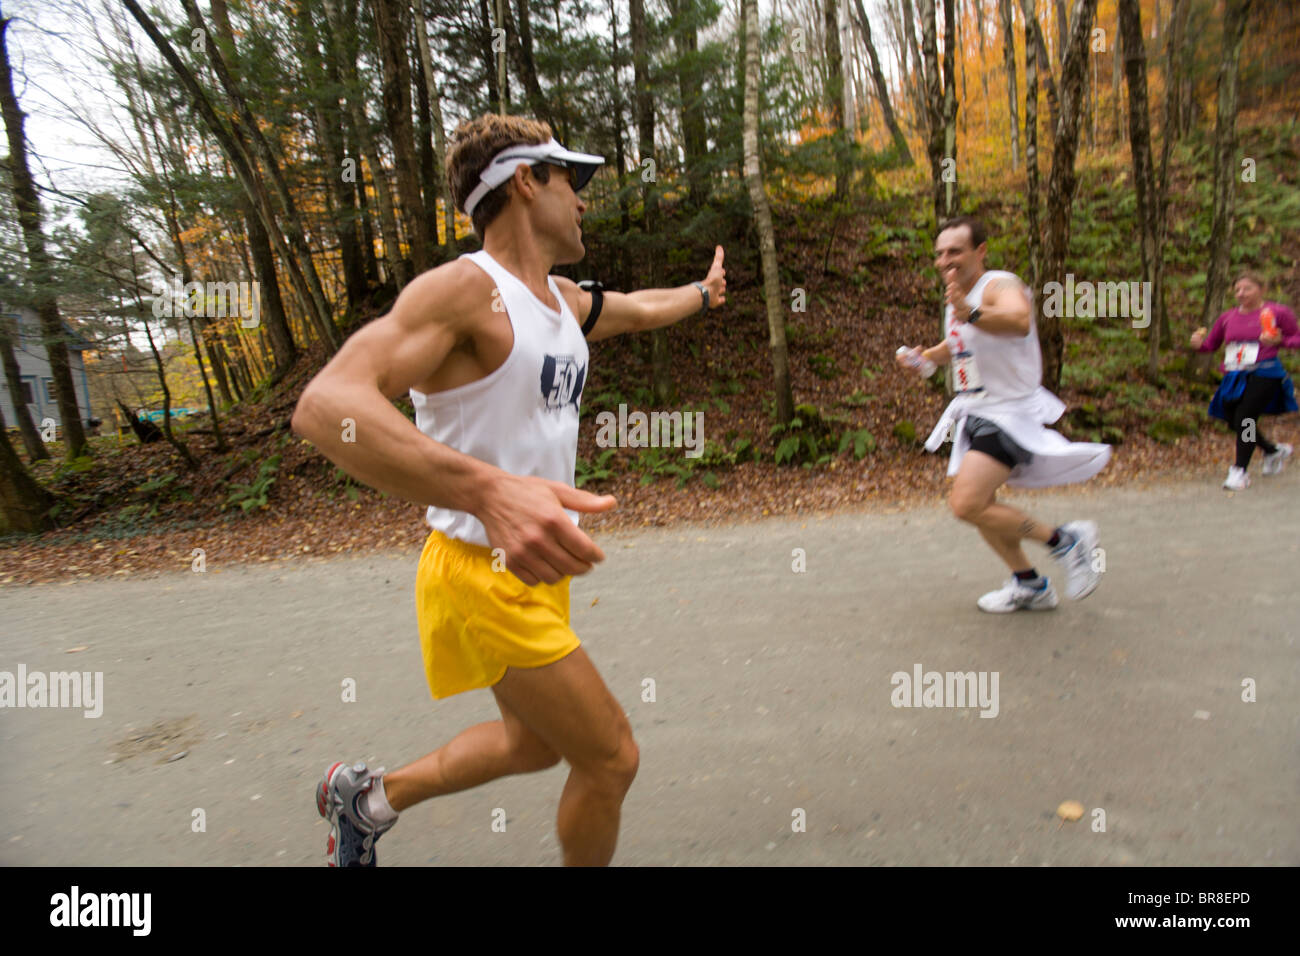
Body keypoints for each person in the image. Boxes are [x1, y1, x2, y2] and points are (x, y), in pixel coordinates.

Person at [292, 113, 727, 866]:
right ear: (526, 181)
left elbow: (640, 306)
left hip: (532, 564)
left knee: (533, 747)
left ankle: (365, 801)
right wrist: (487, 491)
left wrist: (702, 290)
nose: (585, 199)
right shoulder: (465, 292)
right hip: (478, 570)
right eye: (573, 180)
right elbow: (327, 408)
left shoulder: (561, 302)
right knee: (612, 756)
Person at [895, 216, 1111, 613]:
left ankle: (1066, 541)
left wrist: (970, 312)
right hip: (977, 411)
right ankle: (1030, 585)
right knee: (984, 510)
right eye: (940, 253)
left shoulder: (1000, 284)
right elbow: (958, 342)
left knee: (967, 504)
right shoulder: (959, 294)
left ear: (980, 251)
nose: (946, 260)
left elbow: (1017, 321)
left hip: (1008, 414)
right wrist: (925, 358)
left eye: (955, 251)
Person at [1190, 273, 1298, 490]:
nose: (1241, 294)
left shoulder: (1276, 312)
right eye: (1237, 289)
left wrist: (1281, 340)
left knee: (1246, 417)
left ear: (1261, 288)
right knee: (1233, 419)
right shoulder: (1227, 317)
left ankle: (1240, 470)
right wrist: (1198, 344)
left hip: (1265, 372)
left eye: (1246, 288)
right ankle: (1272, 450)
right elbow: (1211, 345)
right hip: (1234, 375)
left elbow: (1296, 338)